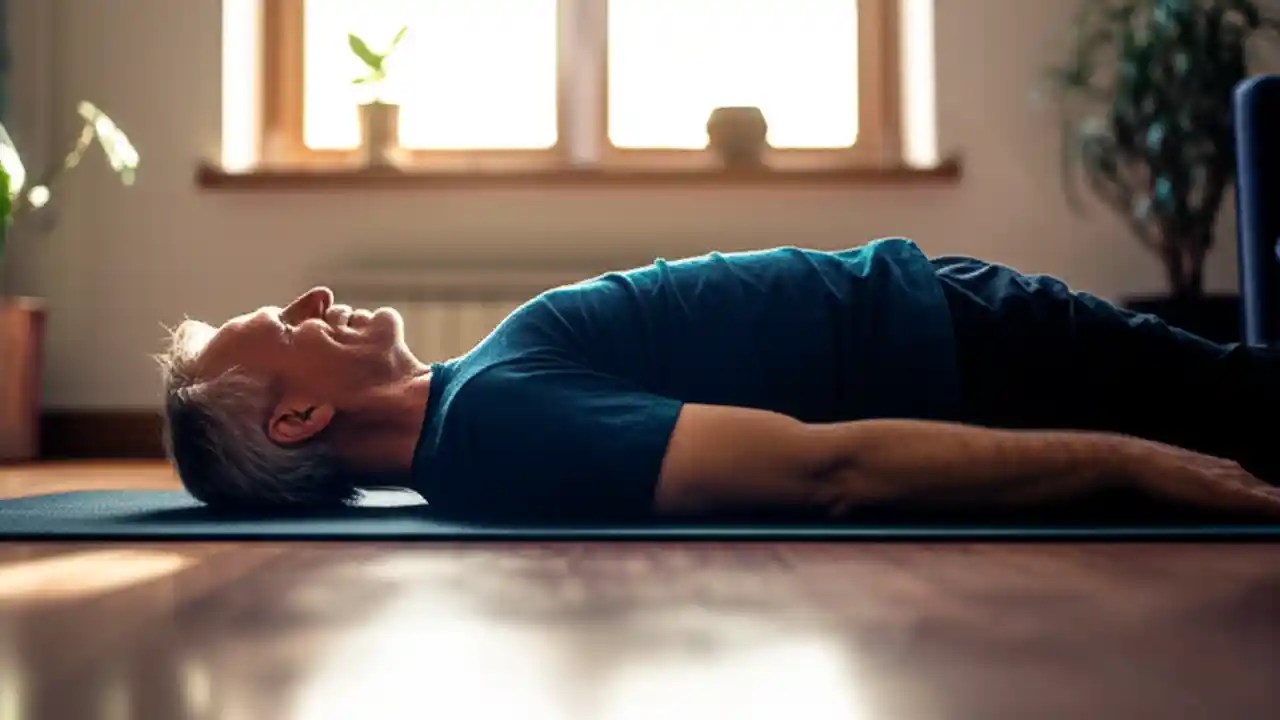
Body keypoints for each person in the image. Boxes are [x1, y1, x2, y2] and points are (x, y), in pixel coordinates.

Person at [154, 237, 1280, 522]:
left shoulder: (472, 406)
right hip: (968, 347)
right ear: (299, 415)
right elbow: (821, 468)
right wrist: (1132, 462)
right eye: (281, 324)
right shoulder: (495, 425)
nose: (309, 300)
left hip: (945, 319)